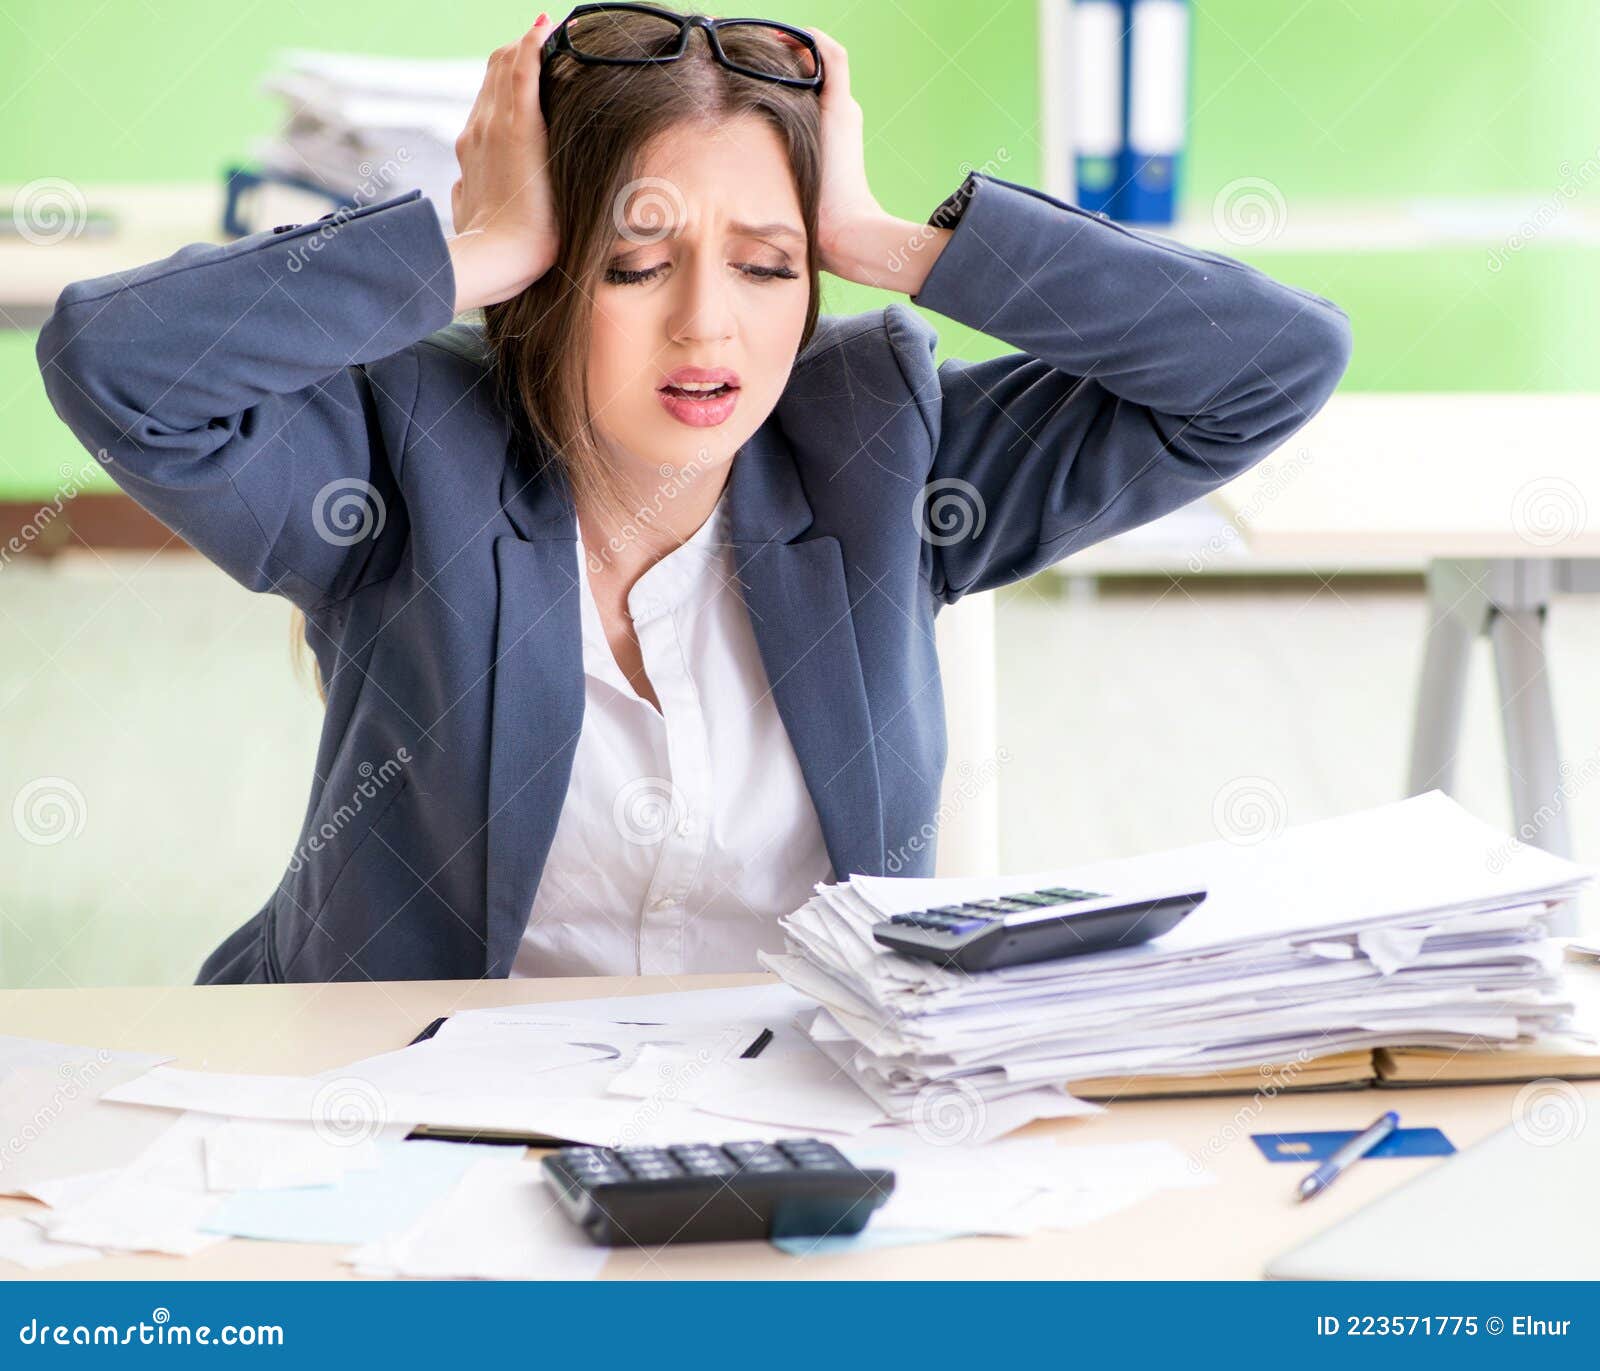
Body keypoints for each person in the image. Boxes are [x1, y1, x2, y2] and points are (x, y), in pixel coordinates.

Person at [35, 6, 1352, 984]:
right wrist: (471, 242)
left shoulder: (879, 447)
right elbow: (115, 363)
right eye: (634, 263)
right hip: (409, 1123)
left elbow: (1270, 366)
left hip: (789, 1117)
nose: (707, 329)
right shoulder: (398, 449)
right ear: (550, 272)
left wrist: (889, 239)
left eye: (770, 265)